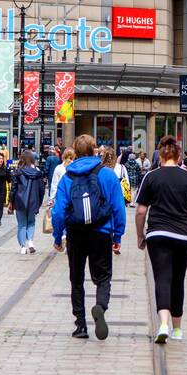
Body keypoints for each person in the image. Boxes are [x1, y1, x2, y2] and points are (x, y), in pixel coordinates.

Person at [135, 135, 187, 344]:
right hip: (183, 235)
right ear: (179, 157)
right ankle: (177, 329)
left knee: (162, 278)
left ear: (161, 156)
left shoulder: (150, 177)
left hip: (157, 234)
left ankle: (163, 325)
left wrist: (140, 235)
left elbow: (141, 211)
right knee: (178, 279)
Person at [52, 135, 126, 341]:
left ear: (74, 152)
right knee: (103, 277)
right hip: (101, 232)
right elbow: (118, 208)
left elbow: (58, 212)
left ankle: (80, 325)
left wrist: (58, 237)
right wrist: (117, 234)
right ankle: (100, 306)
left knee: (76, 279)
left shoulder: (68, 177)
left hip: (76, 233)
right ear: (95, 151)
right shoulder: (108, 175)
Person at [9, 150, 46, 255]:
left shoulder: (18, 172)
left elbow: (13, 189)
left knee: (21, 225)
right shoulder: (38, 173)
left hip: (20, 201)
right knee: (31, 222)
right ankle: (30, 242)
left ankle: (23, 247)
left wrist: (10, 202)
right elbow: (41, 189)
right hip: (33, 201)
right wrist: (39, 202)